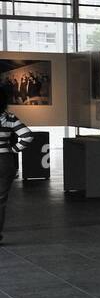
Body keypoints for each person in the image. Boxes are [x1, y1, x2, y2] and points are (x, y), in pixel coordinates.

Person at [0, 95, 34, 244]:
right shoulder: (10, 118)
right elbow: (27, 136)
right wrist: (13, 149)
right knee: (1, 200)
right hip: (4, 162)